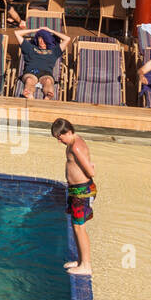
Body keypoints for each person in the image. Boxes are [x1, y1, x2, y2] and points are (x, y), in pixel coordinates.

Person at [51, 117, 95, 276]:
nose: (59, 141)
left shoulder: (75, 147)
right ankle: (81, 260)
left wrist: (90, 167)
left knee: (79, 227)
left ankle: (86, 265)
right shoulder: (74, 142)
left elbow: (91, 172)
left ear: (68, 132)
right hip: (77, 191)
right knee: (76, 226)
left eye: (60, 137)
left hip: (82, 191)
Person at [12, 26, 70, 100]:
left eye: (44, 39)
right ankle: (29, 94)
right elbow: (16, 33)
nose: (42, 41)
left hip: (46, 74)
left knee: (48, 81)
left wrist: (51, 31)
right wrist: (36, 30)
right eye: (40, 38)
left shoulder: (54, 51)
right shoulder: (30, 48)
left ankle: (48, 96)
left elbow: (67, 39)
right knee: (29, 80)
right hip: (30, 72)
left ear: (48, 40)